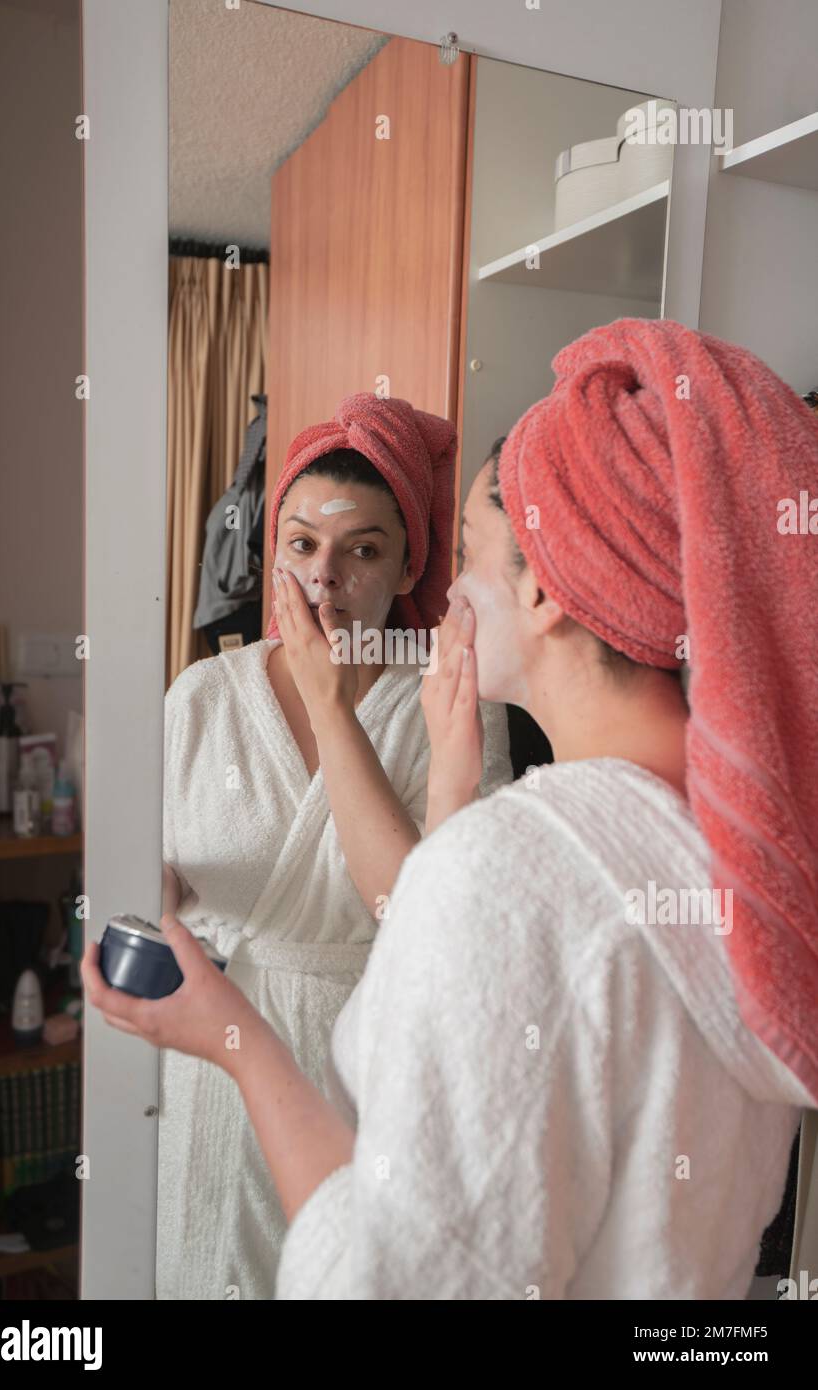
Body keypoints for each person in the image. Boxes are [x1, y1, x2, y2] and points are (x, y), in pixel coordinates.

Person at [85, 318, 817, 1299]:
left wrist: (234, 1036)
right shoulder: (744, 862)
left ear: (549, 592)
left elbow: (386, 1283)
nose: (452, 599)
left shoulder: (514, 871)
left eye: (466, 557)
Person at [154, 392, 511, 1299]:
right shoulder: (200, 697)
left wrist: (325, 699)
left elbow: (427, 919)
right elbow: (149, 885)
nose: (325, 577)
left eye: (363, 550)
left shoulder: (455, 703)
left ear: (404, 568)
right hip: (212, 1064)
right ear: (274, 556)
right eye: (304, 544)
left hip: (363, 1070)